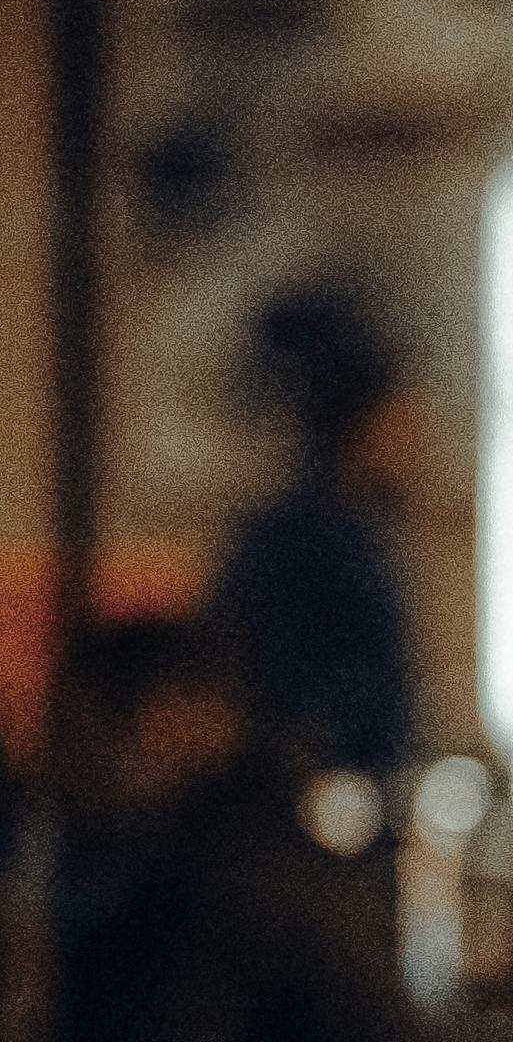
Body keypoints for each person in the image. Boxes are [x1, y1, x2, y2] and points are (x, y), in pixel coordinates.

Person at [3, 614, 479, 1042]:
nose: (50, 769)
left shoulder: (225, 889)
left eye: (74, 733)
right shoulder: (271, 855)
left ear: (169, 720)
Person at [211, 282, 424, 807]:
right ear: (362, 426)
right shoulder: (308, 545)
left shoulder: (340, 536)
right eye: (400, 421)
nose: (416, 442)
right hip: (311, 816)